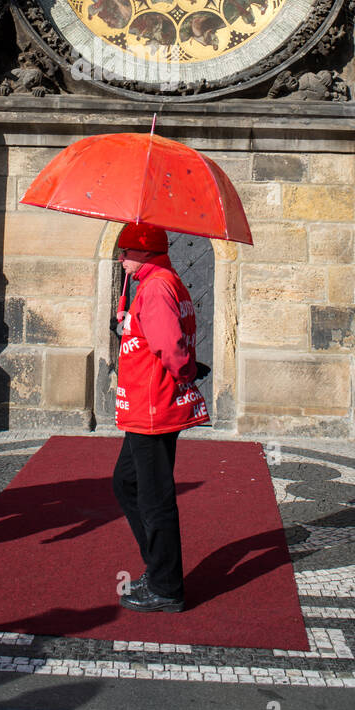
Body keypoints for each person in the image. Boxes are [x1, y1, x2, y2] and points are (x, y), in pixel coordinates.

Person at [112, 222, 209, 613]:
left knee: (155, 498)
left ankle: (166, 585)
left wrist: (186, 370)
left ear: (144, 253)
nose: (121, 259)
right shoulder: (160, 282)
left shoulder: (154, 286)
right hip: (144, 404)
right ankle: (157, 566)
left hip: (151, 404)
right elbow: (157, 333)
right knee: (126, 482)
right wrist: (128, 325)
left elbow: (169, 344)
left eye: (125, 252)